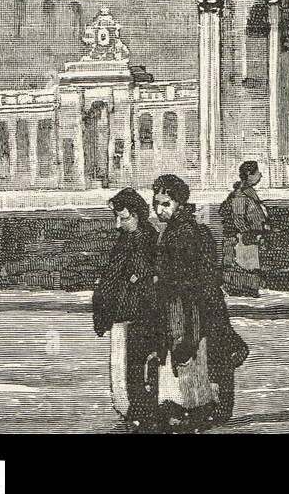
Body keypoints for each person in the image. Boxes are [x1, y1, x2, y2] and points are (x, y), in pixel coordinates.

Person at [153, 174, 249, 429]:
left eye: (165, 204)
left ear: (179, 203)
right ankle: (205, 407)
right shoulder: (180, 229)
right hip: (195, 302)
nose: (160, 210)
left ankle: (206, 408)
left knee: (202, 355)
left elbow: (194, 274)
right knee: (204, 356)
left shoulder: (185, 231)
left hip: (196, 303)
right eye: (157, 204)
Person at [92, 188, 160, 432]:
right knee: (126, 367)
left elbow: (140, 277)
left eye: (123, 218)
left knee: (136, 367)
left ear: (138, 215)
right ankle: (135, 413)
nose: (117, 224)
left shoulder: (144, 239)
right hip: (123, 313)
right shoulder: (128, 238)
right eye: (116, 218)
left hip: (136, 314)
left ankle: (141, 415)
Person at [219, 160, 268, 297]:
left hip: (249, 237)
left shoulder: (249, 193)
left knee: (250, 264)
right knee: (242, 264)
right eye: (257, 172)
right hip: (242, 238)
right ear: (249, 175)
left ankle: (248, 289)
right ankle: (240, 289)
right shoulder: (240, 195)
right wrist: (248, 233)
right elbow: (238, 217)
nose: (260, 175)